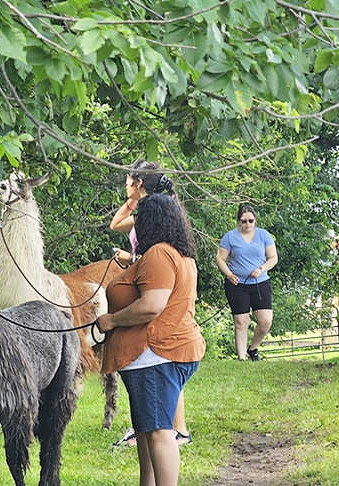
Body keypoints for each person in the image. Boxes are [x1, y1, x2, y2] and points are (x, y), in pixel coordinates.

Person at [97, 194, 205, 486]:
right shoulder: (180, 256)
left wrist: (111, 321)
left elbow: (151, 305)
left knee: (158, 432)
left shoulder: (158, 254)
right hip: (158, 355)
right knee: (146, 433)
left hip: (154, 355)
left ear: (150, 222)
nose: (135, 226)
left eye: (139, 219)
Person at [108, 160, 192, 446]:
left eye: (128, 180)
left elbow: (159, 259)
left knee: (163, 363)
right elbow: (115, 224)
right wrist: (133, 202)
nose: (124, 185)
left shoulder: (159, 212)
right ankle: (155, 427)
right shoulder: (145, 210)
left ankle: (175, 429)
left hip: (156, 279)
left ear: (138, 181)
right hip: (147, 273)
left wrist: (131, 261)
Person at [215, 204, 278, 362]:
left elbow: (273, 258)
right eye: (244, 221)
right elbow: (220, 259)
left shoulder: (264, 235)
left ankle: (253, 348)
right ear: (238, 221)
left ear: (255, 220)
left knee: (265, 321)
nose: (247, 224)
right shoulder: (230, 237)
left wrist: (262, 268)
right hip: (237, 284)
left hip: (260, 282)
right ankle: (242, 358)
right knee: (241, 321)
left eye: (250, 220)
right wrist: (228, 274)